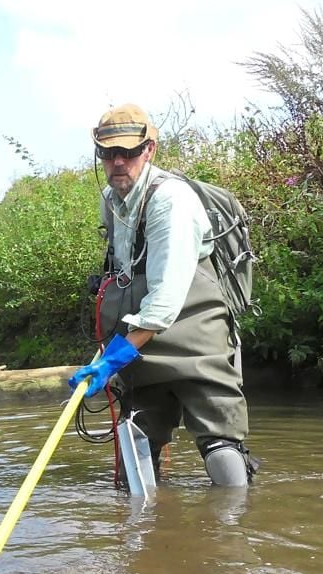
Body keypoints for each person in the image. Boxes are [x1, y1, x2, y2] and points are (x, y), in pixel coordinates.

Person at [68, 103, 256, 486]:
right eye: (108, 153)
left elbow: (165, 300)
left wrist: (112, 360)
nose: (118, 161)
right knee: (139, 435)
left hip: (193, 332)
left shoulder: (172, 201)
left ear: (149, 149)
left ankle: (234, 527)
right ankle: (145, 531)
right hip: (137, 338)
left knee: (219, 436)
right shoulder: (110, 199)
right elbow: (123, 269)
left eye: (129, 152)